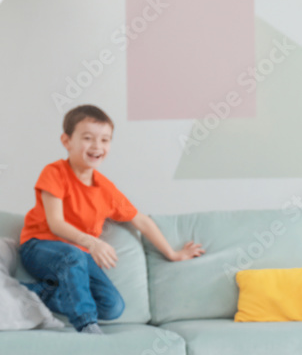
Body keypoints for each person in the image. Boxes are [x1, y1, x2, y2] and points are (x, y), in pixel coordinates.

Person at [19, 105, 205, 334]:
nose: (97, 146)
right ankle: (86, 324)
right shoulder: (54, 172)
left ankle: (28, 293)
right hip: (39, 247)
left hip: (78, 257)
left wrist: (173, 253)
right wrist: (92, 243)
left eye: (105, 140)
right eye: (88, 138)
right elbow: (56, 223)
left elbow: (142, 221)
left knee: (112, 306)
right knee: (73, 255)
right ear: (66, 141)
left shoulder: (106, 190)